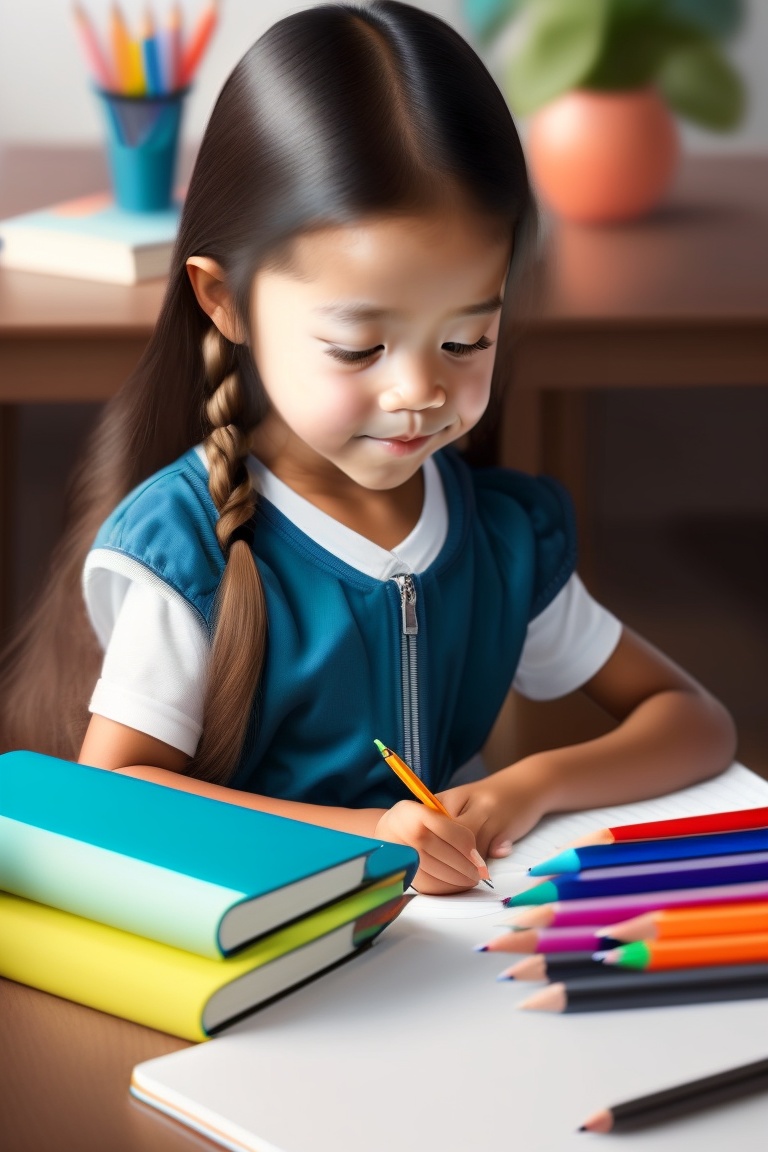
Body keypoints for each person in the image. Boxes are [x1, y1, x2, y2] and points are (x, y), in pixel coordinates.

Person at [0, 1, 736, 895]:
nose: (420, 392)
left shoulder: (502, 536)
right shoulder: (187, 549)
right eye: (359, 348)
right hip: (263, 958)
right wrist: (366, 834)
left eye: (466, 341)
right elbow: (113, 794)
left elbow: (694, 720)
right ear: (223, 300)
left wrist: (528, 786)